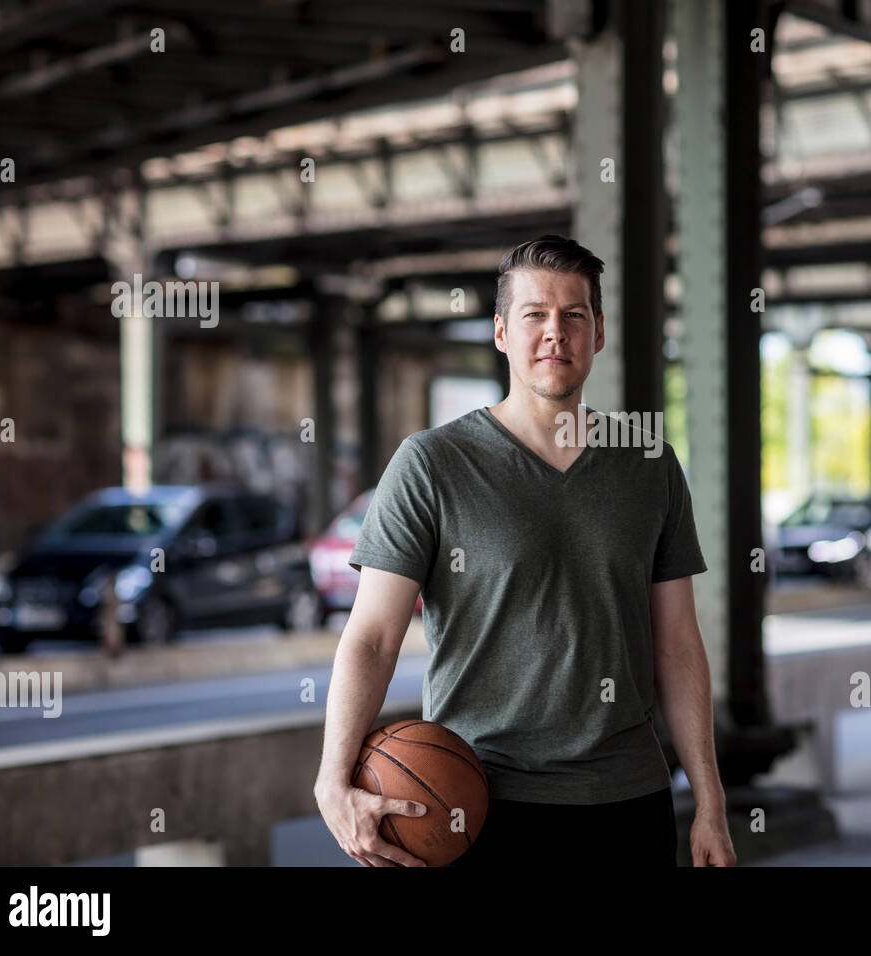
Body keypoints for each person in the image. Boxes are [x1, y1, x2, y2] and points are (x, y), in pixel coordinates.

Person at [314, 234, 736, 868]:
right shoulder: (431, 463)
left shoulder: (650, 465)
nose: (555, 333)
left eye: (574, 315)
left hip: (628, 802)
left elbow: (676, 642)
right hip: (477, 805)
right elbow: (373, 636)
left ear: (599, 333)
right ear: (502, 332)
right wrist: (332, 781)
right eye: (535, 315)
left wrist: (710, 800)